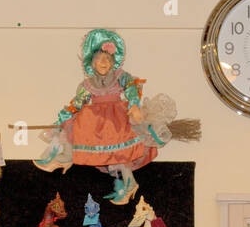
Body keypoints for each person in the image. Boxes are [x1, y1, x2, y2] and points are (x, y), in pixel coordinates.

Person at [35, 28, 191, 204]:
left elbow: (131, 88)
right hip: (97, 124)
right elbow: (76, 104)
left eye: (108, 59)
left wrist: (134, 106)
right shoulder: (86, 85)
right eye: (99, 59)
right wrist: (61, 119)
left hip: (117, 120)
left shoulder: (120, 77)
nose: (104, 62)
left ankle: (128, 183)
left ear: (113, 62)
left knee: (119, 152)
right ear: (92, 63)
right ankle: (65, 157)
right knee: (75, 123)